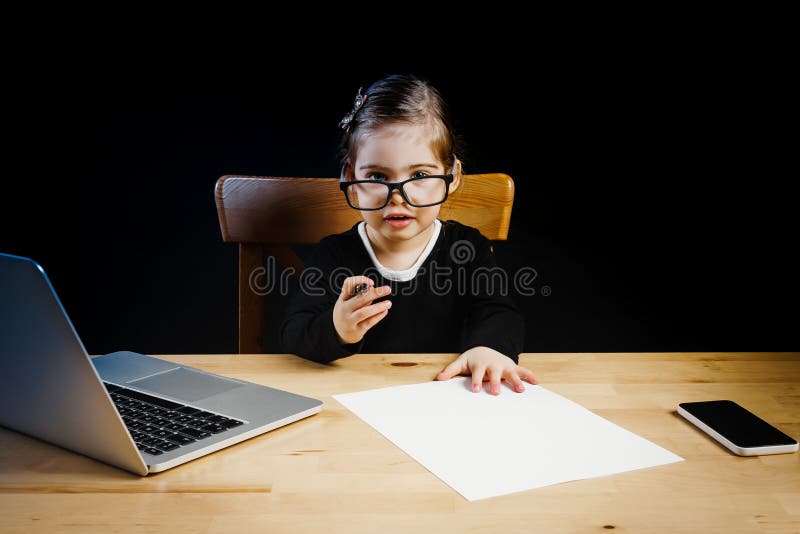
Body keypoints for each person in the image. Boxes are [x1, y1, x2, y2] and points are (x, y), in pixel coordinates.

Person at [279, 74, 536, 395]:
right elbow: (294, 331)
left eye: (419, 174)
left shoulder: (466, 247)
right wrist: (337, 328)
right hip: (354, 400)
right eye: (376, 175)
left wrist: (489, 348)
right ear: (350, 177)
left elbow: (498, 311)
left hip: (446, 399)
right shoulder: (334, 254)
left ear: (451, 176)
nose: (397, 196)